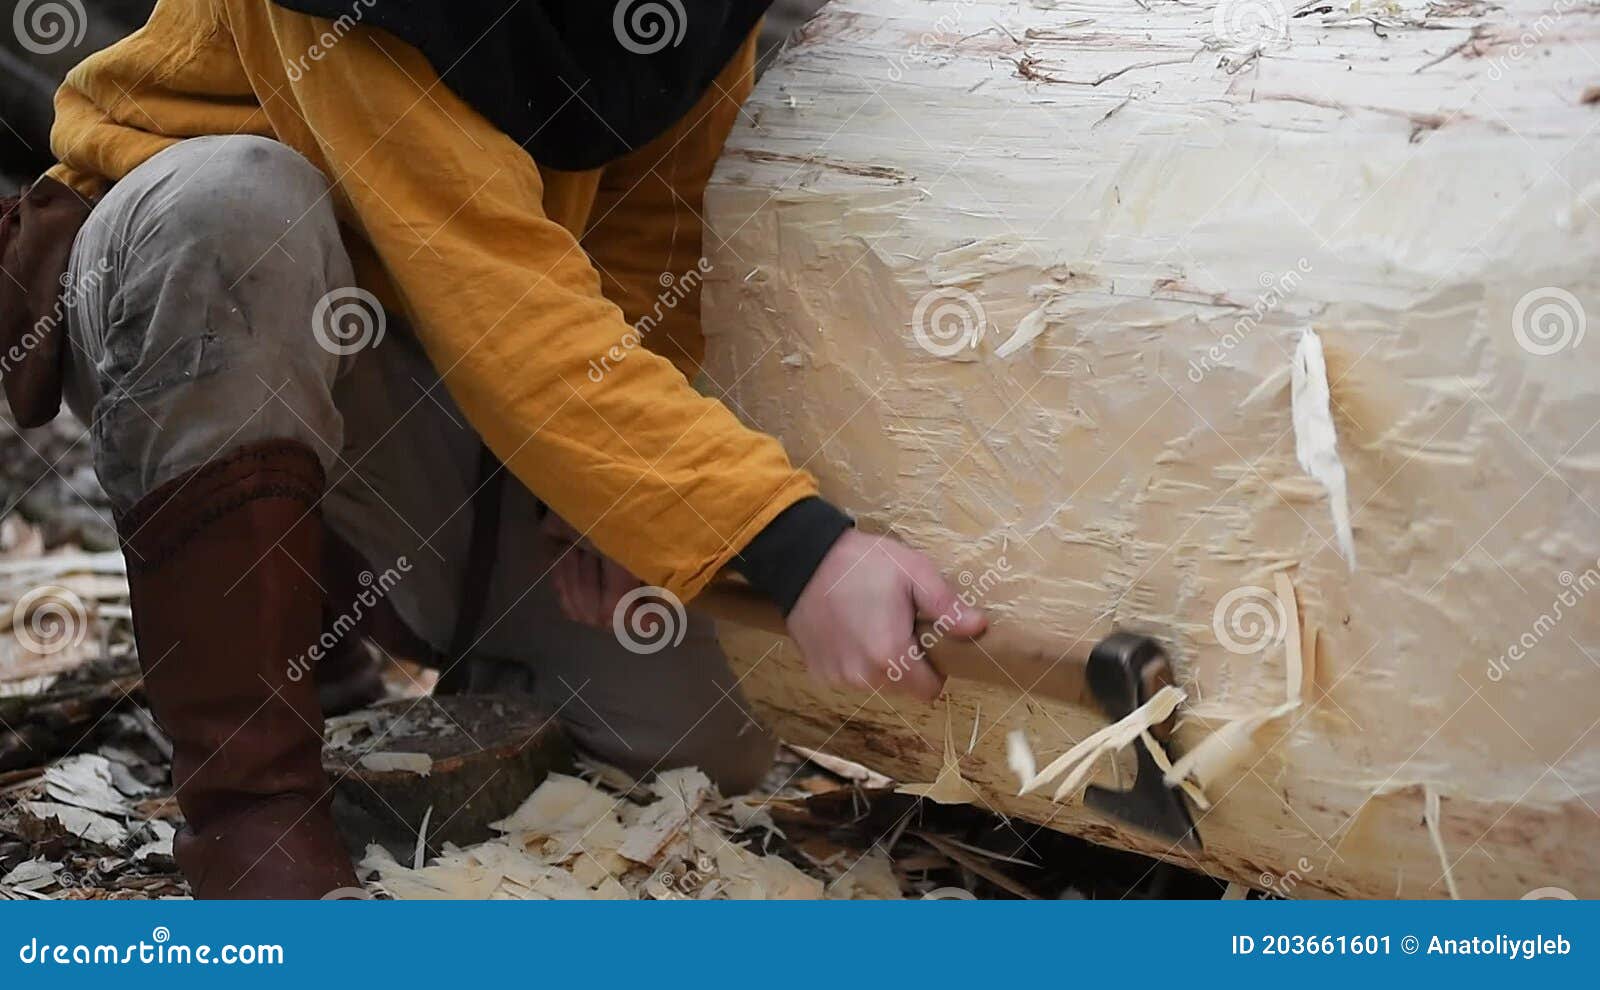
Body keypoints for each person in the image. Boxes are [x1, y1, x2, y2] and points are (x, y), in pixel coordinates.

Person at [0, 1, 986, 899]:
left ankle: (333, 578)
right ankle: (252, 809)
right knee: (236, 204)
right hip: (205, 279)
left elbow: (644, 241)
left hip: (442, 334)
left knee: (682, 737)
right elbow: (487, 284)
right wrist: (797, 547)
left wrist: (618, 492)